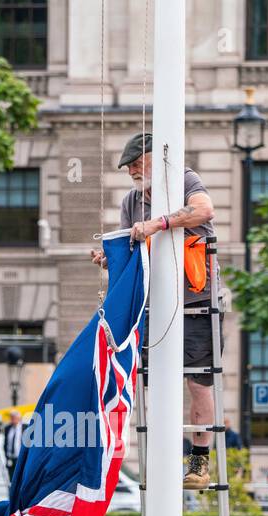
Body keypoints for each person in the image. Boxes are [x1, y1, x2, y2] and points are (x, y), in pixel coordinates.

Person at [92, 132, 219, 491]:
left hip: (197, 301)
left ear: (153, 157)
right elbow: (128, 251)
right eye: (128, 166)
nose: (132, 170)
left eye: (137, 162)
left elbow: (204, 210)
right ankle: (156, 454)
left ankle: (199, 460)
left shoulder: (185, 180)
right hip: (153, 303)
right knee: (149, 380)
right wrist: (106, 260)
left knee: (198, 381)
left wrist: (159, 223)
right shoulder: (132, 201)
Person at [3, 410, 24, 482]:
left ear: (19, 418)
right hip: (10, 457)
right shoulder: (7, 428)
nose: (12, 419)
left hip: (20, 457)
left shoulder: (25, 427)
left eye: (14, 418)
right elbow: (5, 443)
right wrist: (6, 456)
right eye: (11, 418)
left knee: (20, 477)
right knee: (11, 478)